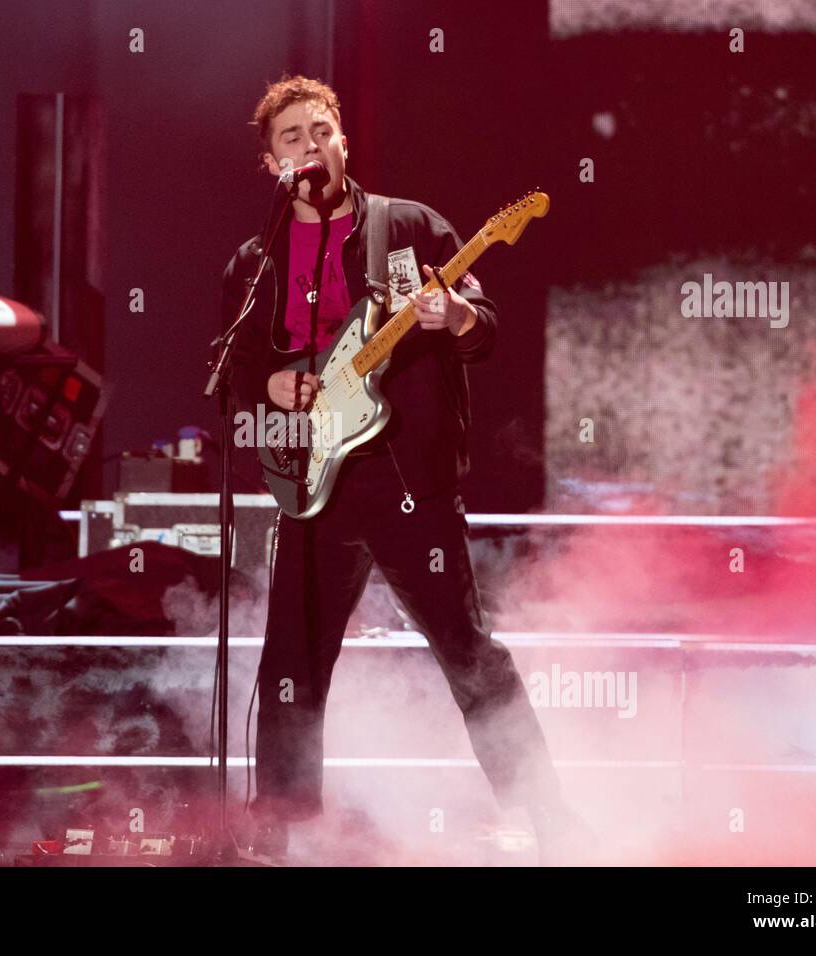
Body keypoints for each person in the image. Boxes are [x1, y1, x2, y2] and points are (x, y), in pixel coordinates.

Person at [221, 76, 586, 863]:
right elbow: (239, 367)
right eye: (292, 137)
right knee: (292, 663)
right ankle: (280, 835)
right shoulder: (256, 261)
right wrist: (276, 384)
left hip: (408, 482)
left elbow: (484, 328)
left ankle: (551, 821)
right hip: (314, 481)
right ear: (269, 162)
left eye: (323, 130)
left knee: (469, 652)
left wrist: (452, 315)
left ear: (344, 139)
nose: (310, 145)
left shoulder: (410, 228)